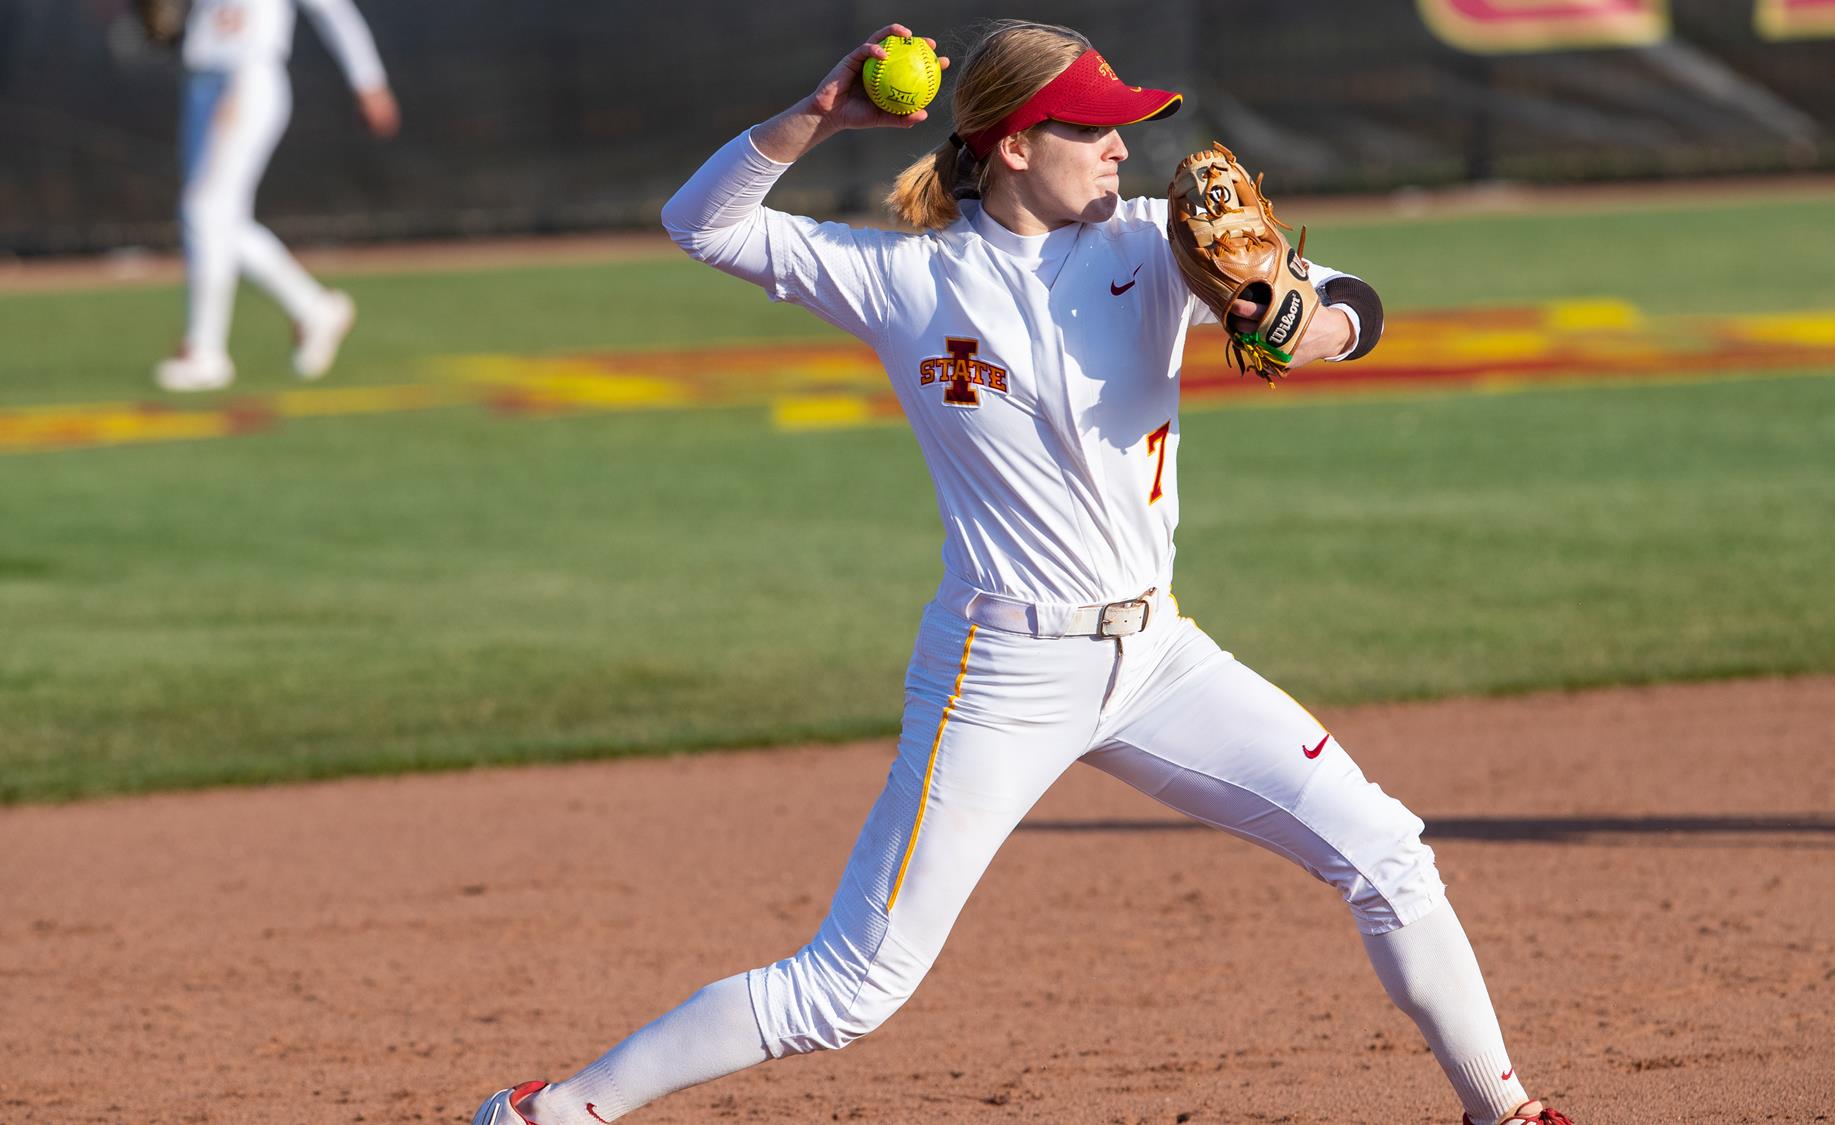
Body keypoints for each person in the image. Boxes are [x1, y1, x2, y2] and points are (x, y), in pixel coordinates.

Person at [473, 20, 1572, 1125]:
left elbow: (1351, 301)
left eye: (1120, 129)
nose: (1117, 149)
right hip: (998, 674)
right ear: (1009, 144)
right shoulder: (902, 278)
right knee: (849, 992)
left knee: (1384, 851)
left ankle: (1503, 1113)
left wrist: (1308, 320)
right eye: (1090, 128)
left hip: (1157, 660)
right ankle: (549, 1113)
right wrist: (818, 115)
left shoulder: (1152, 244)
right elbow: (698, 224)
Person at [152, 0, 400, 392]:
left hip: (246, 74)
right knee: (217, 222)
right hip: (201, 77)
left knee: (204, 210)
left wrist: (368, 80)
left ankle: (206, 352)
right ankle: (315, 309)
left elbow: (333, 10)